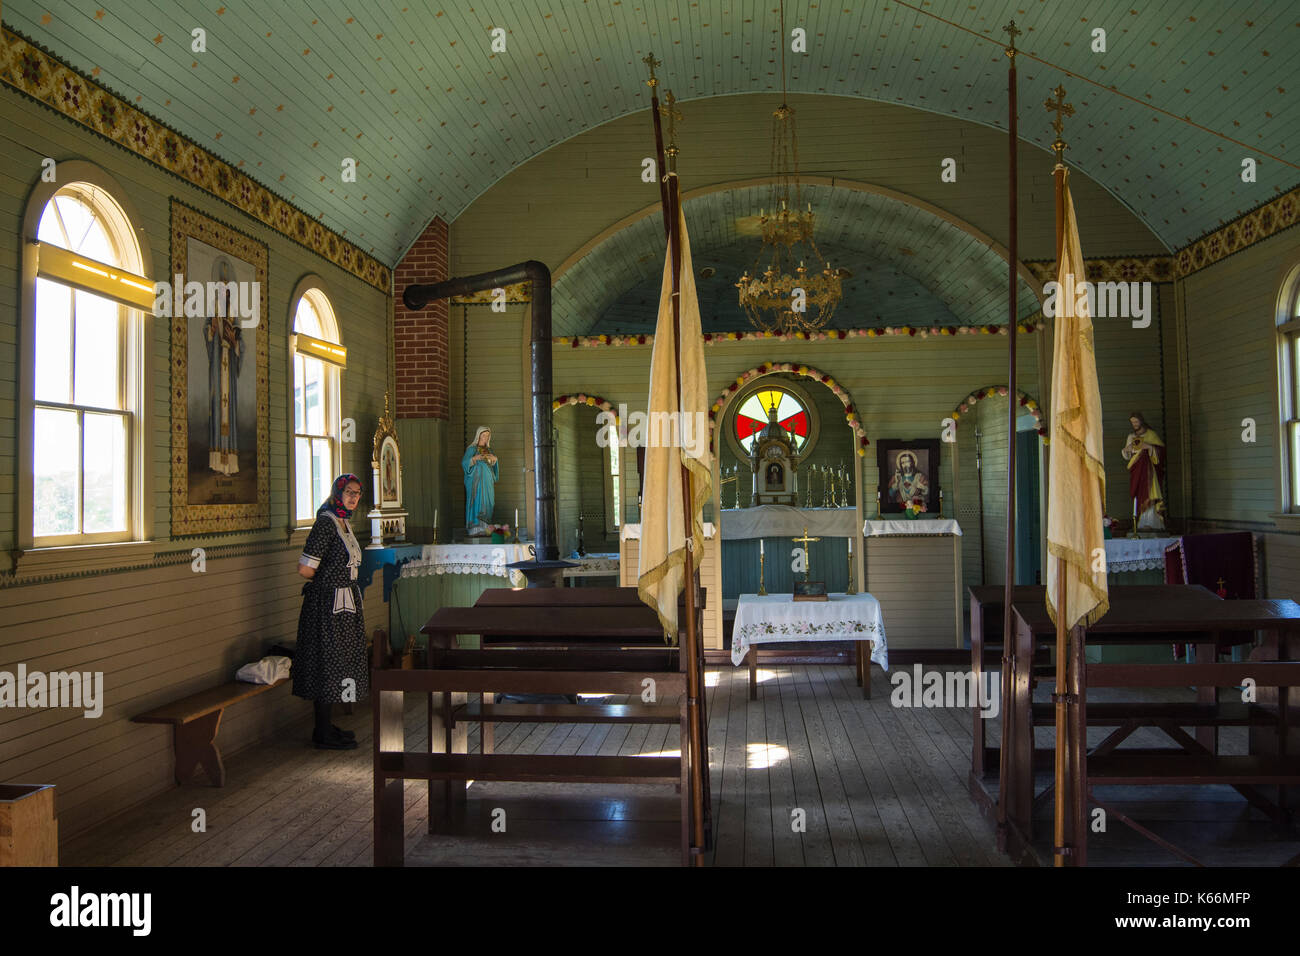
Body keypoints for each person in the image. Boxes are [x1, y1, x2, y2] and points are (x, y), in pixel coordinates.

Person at [295, 474, 367, 750]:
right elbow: (305, 569)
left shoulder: (342, 521)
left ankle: (325, 726)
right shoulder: (326, 523)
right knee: (327, 662)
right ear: (337, 492)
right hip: (327, 604)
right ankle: (322, 732)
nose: (353, 497)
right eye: (348, 492)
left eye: (357, 493)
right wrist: (329, 583)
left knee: (339, 662)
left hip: (344, 601)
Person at [204, 256, 242, 476]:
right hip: (219, 367)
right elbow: (208, 335)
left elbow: (240, 344)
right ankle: (218, 461)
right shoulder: (215, 313)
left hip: (229, 366)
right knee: (219, 409)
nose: (224, 295)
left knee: (230, 411)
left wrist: (235, 343)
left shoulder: (233, 316)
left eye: (227, 292)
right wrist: (213, 332)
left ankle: (231, 463)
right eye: (221, 291)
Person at [1121, 411, 1166, 530]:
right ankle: (1141, 521)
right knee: (1140, 496)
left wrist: (1149, 447)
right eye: (1132, 422)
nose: (1134, 424)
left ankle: (1152, 522)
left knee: (1150, 494)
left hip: (1150, 472)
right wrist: (1126, 450)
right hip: (1137, 471)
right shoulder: (1131, 436)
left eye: (1136, 421)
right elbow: (1128, 455)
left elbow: (1161, 452)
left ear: (1141, 420)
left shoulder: (1151, 434)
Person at [462, 426, 499, 534]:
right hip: (476, 482)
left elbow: (492, 465)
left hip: (488, 481)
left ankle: (486, 526)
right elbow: (464, 463)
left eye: (487, 436)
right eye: (483, 435)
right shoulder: (472, 449)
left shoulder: (489, 450)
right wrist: (474, 459)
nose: (485, 438)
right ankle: (476, 526)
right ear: (478, 436)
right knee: (478, 501)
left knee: (489, 502)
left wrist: (495, 460)